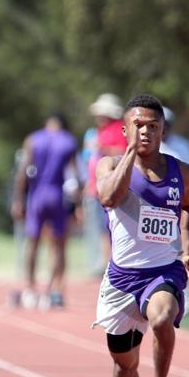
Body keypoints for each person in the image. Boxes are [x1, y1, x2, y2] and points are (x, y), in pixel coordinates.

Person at [91, 94, 189, 377]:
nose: (145, 132)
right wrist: (130, 156)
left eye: (153, 126)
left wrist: (187, 251)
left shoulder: (181, 172)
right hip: (122, 280)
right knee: (124, 366)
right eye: (138, 126)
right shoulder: (109, 165)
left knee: (161, 315)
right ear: (124, 130)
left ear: (163, 130)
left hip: (162, 272)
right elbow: (107, 198)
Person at [12, 110, 80, 310]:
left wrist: (18, 200)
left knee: (32, 242)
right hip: (56, 195)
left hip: (37, 195)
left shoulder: (33, 139)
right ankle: (51, 290)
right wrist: (78, 204)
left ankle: (30, 288)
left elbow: (23, 171)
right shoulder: (68, 141)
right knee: (58, 245)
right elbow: (76, 175)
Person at [80, 93, 126, 279]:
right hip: (95, 188)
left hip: (110, 187)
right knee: (100, 229)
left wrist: (103, 148)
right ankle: (104, 263)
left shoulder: (118, 129)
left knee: (111, 228)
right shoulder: (97, 132)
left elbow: (123, 153)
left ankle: (113, 264)